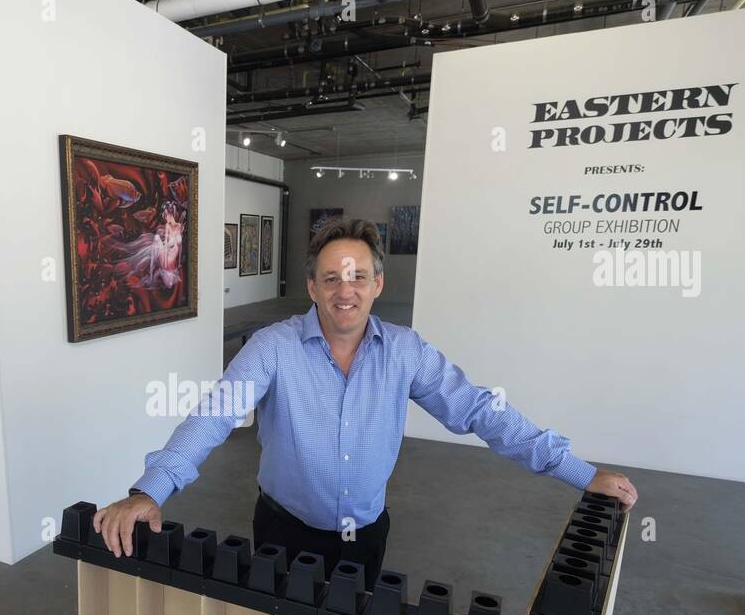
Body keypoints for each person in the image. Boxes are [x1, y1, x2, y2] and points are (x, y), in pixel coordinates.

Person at [93, 218, 637, 588]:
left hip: (367, 536)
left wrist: (579, 472)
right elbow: (212, 417)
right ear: (312, 287)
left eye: (357, 277)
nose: (344, 290)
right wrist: (148, 491)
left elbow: (479, 410)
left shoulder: (405, 351)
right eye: (330, 278)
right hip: (282, 530)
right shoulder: (273, 348)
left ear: (378, 283)